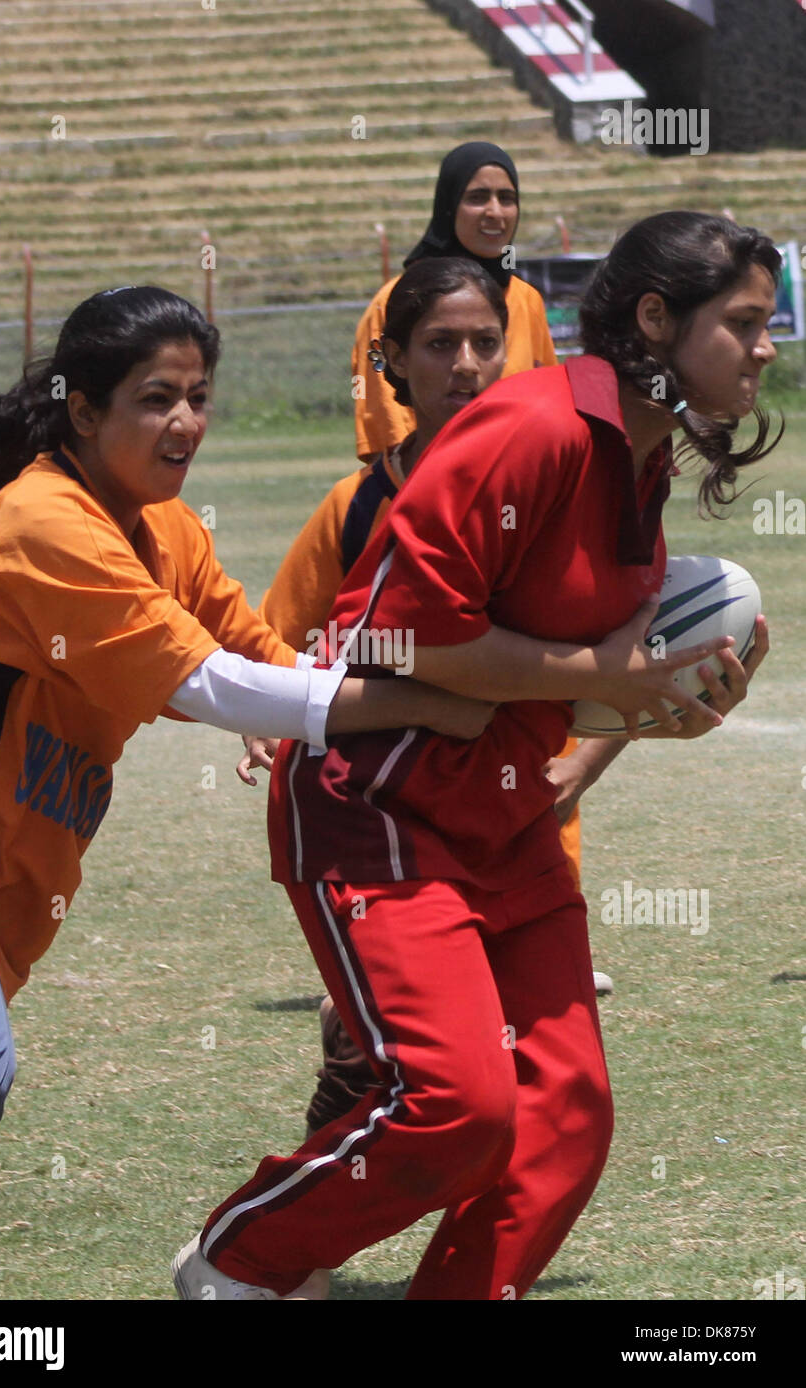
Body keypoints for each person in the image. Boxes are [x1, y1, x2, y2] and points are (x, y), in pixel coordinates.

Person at [173, 212, 777, 1301]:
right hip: (382, 805)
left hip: (505, 820)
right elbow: (418, 637)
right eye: (741, 322)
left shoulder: (635, 453)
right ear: (655, 319)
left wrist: (660, 706)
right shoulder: (531, 429)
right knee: (461, 1104)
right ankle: (242, 1260)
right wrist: (607, 673)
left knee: (567, 1116)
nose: (767, 346)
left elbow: (582, 673)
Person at [0, 285, 497, 1275]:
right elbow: (212, 681)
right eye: (153, 398)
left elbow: (259, 653)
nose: (184, 421)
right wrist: (422, 703)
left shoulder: (165, 529)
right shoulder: (45, 522)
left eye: (197, 395)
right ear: (83, 411)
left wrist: (434, 673)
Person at [238, 259, 616, 1165]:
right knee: (420, 1065)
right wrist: (276, 708)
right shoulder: (357, 504)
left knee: (531, 1077)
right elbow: (278, 645)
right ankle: (301, 1236)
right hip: (385, 827)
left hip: (516, 821)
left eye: (486, 343)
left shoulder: (556, 488)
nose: (467, 364)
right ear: (393, 363)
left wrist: (583, 762)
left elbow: (608, 658)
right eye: (440, 345)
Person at [352, 140, 557, 464]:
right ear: (448, 206)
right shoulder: (396, 301)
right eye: (477, 198)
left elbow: (548, 408)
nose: (495, 212)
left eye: (507, 198)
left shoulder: (527, 300)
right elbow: (388, 434)